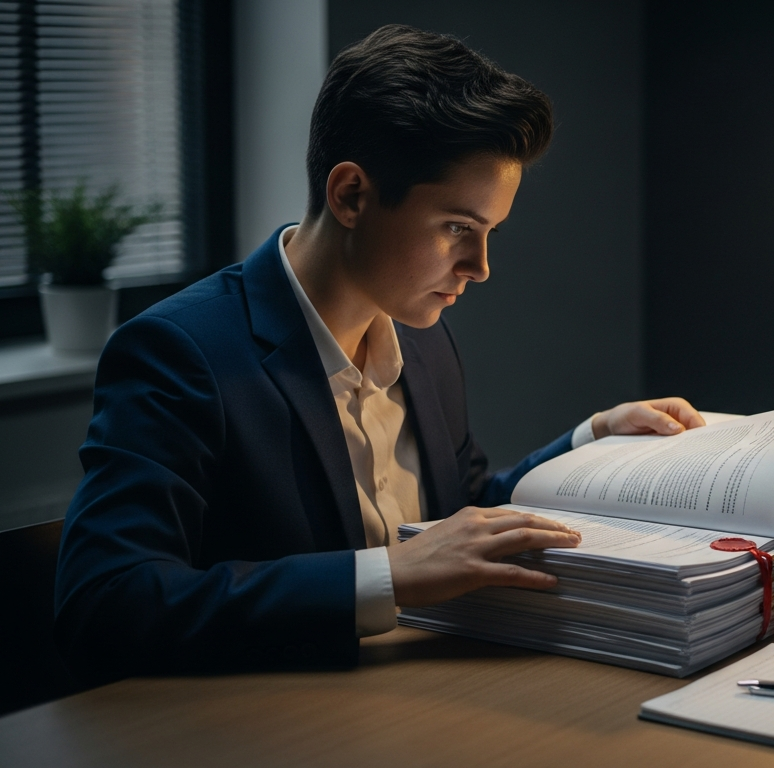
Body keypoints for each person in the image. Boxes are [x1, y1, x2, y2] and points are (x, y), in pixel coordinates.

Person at [53, 24, 703, 680]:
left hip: (418, 698)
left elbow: (457, 513)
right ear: (351, 195)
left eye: (490, 232)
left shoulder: (421, 339)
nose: (480, 266)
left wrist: (591, 442)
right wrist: (387, 576)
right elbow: (106, 603)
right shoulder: (177, 354)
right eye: (458, 228)